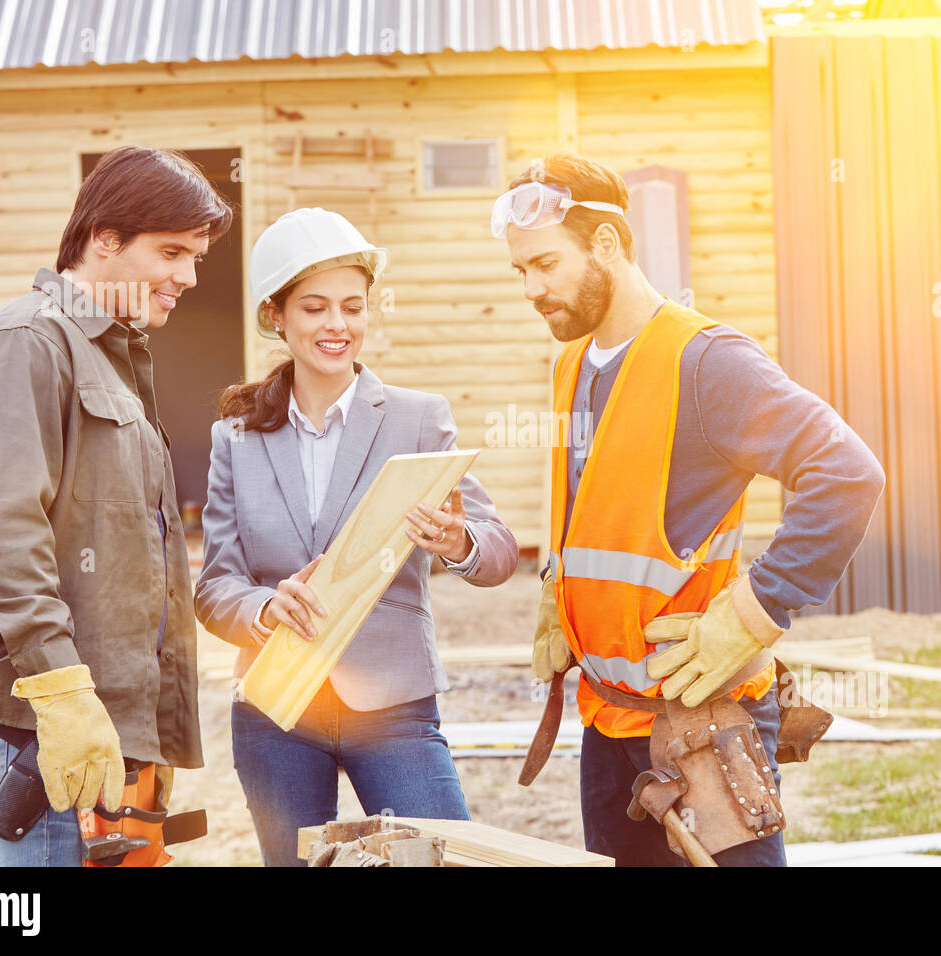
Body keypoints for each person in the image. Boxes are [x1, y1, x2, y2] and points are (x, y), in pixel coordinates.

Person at [496, 154, 887, 866]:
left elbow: (847, 472)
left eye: (546, 264)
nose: (531, 287)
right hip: (608, 721)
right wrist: (563, 597)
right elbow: (605, 514)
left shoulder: (706, 363)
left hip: (704, 725)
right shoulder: (571, 361)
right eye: (520, 270)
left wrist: (757, 609)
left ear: (607, 245)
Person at [0, 145, 233, 866]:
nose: (187, 276)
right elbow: (1, 528)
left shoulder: (112, 355)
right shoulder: (23, 344)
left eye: (197, 258)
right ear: (104, 238)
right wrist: (60, 690)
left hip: (116, 719)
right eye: (172, 251)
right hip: (47, 722)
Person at [194, 207, 519, 867]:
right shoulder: (236, 438)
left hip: (393, 710)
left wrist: (458, 542)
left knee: (441, 861)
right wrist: (263, 607)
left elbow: (499, 551)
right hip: (276, 711)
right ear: (277, 316)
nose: (336, 325)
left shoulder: (418, 418)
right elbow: (214, 587)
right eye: (314, 307)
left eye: (352, 306)